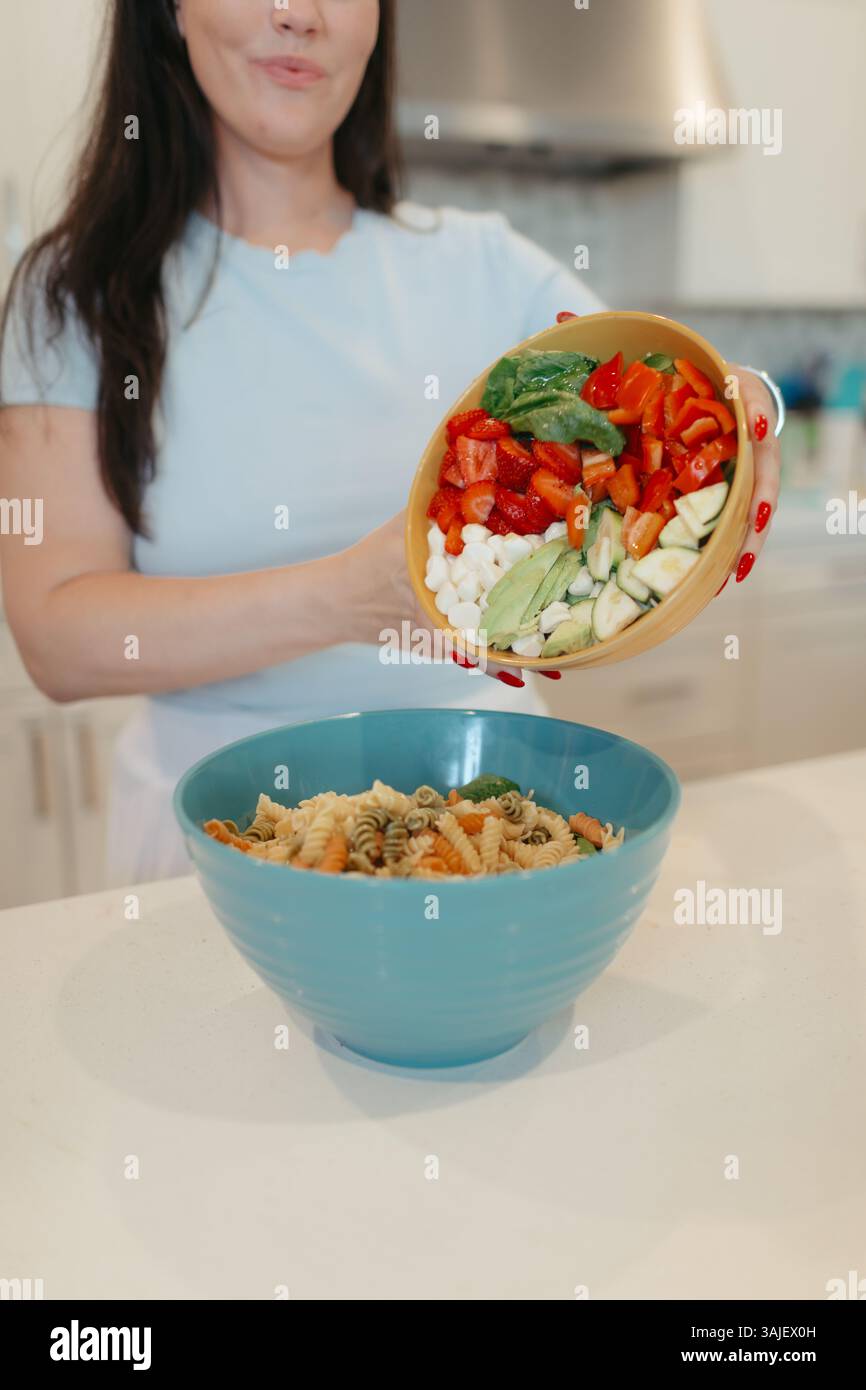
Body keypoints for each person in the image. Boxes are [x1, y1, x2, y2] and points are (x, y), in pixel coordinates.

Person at [0, 0, 780, 884]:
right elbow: (56, 642)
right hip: (211, 850)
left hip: (491, 827)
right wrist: (348, 597)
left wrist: (746, 409)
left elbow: (654, 389)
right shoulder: (74, 299)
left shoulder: (486, 265)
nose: (298, 14)